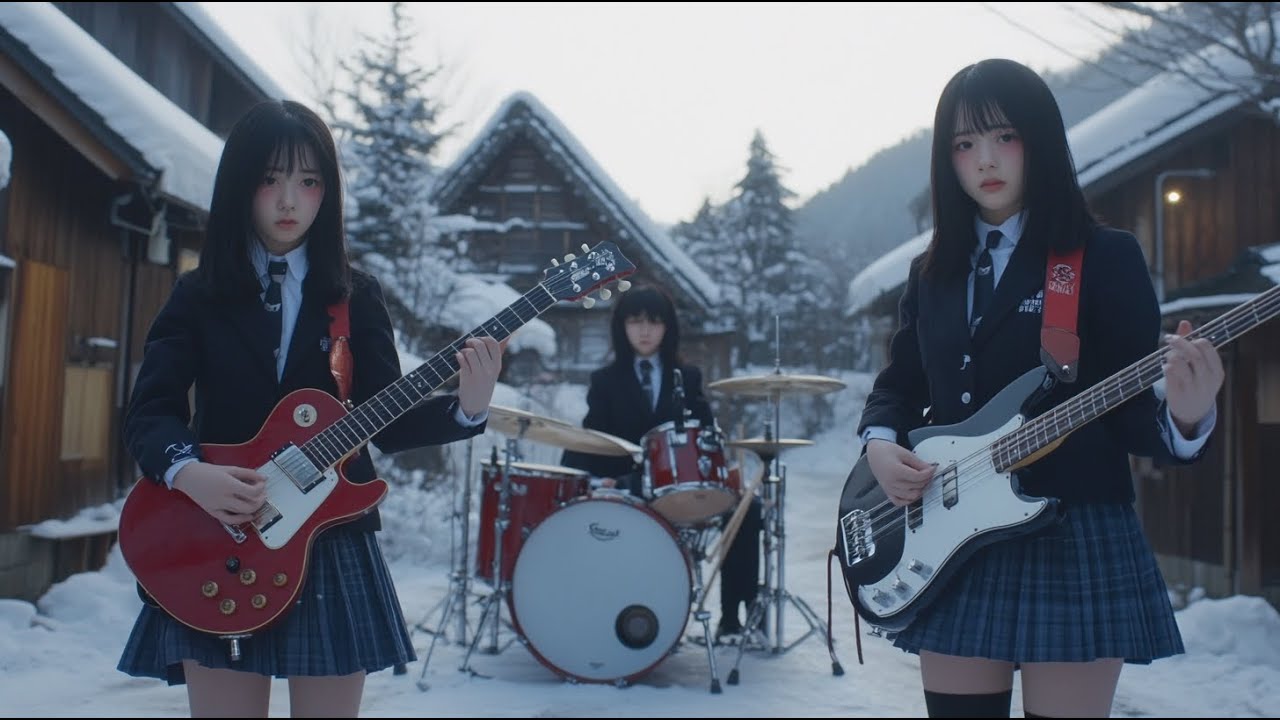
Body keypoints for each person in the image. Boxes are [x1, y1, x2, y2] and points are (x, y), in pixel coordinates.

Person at [856, 59, 1224, 719]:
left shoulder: (1102, 256)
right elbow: (901, 383)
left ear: (1041, 139)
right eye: (964, 145)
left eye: (1003, 136)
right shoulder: (932, 271)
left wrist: (1187, 418)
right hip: (953, 530)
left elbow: (1133, 408)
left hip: (1074, 529)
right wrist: (881, 444)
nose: (984, 160)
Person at [116, 100, 504, 717]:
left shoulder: (355, 296)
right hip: (218, 533)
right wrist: (192, 474)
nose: (289, 200)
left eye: (309, 181)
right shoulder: (198, 295)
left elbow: (389, 419)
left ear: (328, 192)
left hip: (329, 539)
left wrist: (466, 408)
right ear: (241, 185)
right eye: (270, 179)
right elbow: (149, 413)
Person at [559, 284, 763, 642]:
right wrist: (592, 479)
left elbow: (705, 435)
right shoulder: (604, 381)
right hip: (626, 487)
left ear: (668, 328)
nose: (644, 330)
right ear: (621, 327)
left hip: (679, 488)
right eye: (635, 321)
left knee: (748, 508)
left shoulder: (689, 377)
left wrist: (727, 475)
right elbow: (591, 439)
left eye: (654, 322)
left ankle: (734, 616)